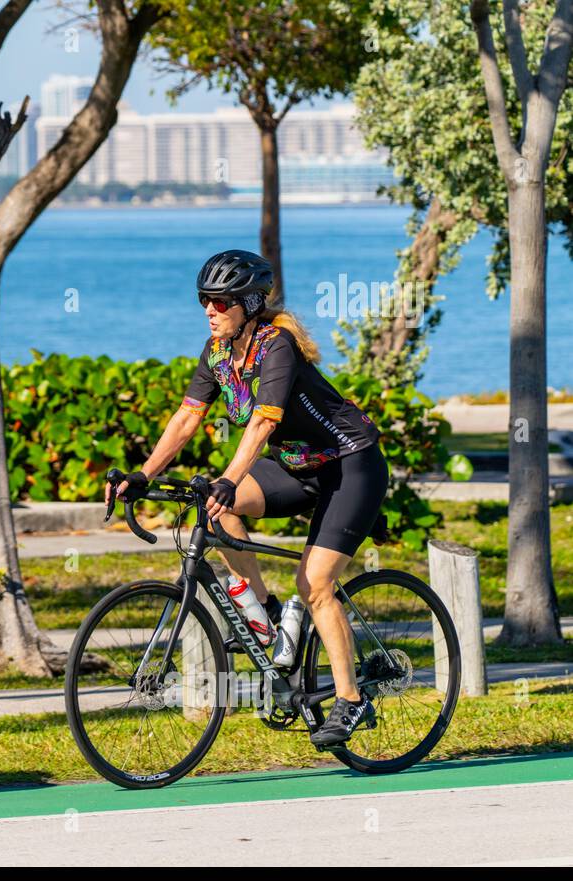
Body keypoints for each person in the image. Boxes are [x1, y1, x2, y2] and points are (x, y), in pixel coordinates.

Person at [109, 249, 388, 746]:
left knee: (316, 582)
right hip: (297, 466)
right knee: (219, 511)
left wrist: (230, 477)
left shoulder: (275, 344)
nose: (210, 311)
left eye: (220, 301)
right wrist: (143, 475)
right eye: (204, 301)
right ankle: (268, 614)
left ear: (249, 303)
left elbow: (263, 420)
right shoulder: (217, 353)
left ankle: (351, 700)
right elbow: (188, 416)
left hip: (350, 464)